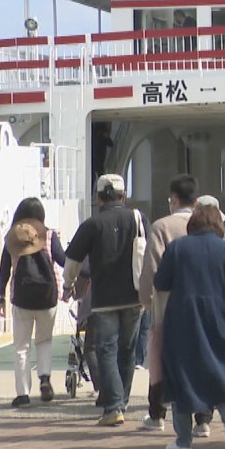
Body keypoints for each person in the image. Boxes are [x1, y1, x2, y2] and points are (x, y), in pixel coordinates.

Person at [154, 200, 225, 449]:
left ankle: (183, 441)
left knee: (181, 376)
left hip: (182, 318)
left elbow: (161, 282)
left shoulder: (178, 248)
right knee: (219, 370)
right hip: (218, 316)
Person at [62, 174, 144, 427]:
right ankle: (123, 402)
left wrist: (68, 286)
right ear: (123, 196)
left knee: (106, 349)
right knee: (127, 350)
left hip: (105, 298)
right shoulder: (136, 218)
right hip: (134, 296)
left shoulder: (92, 224)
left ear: (98, 198)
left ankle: (113, 406)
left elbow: (72, 261)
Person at [137, 174, 214, 433]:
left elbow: (152, 269)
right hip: (205, 303)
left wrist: (146, 299)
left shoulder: (161, 226)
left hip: (168, 304)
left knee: (161, 359)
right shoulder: (208, 224)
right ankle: (202, 419)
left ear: (174, 199)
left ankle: (157, 414)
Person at [0, 197, 66, 407]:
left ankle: (23, 394)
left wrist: (0, 297)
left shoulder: (12, 238)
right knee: (44, 341)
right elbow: (63, 260)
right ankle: (44, 378)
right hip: (48, 297)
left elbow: (4, 271)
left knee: (21, 346)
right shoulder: (50, 235)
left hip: (23, 298)